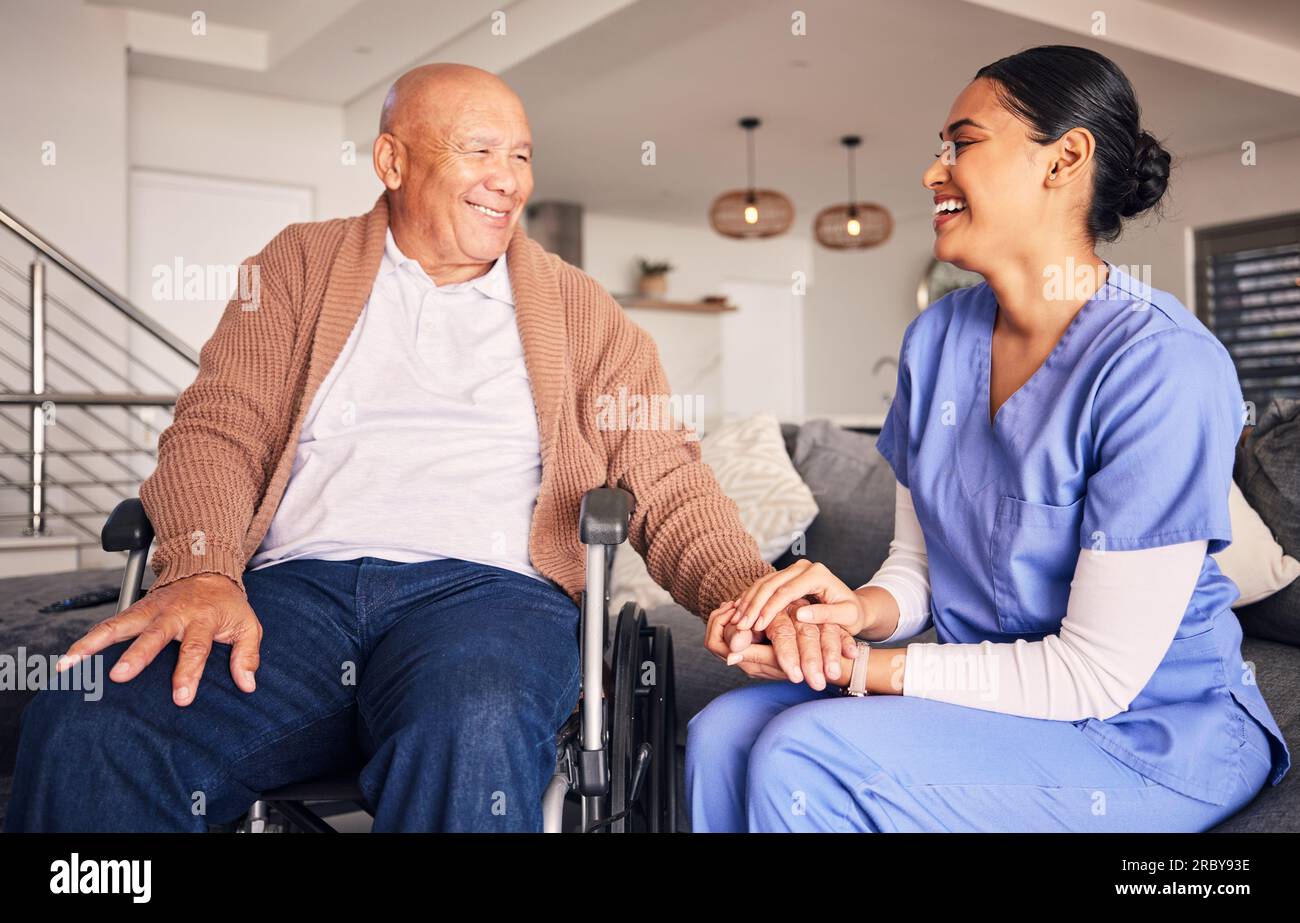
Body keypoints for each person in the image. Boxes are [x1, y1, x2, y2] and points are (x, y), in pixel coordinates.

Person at [6, 63, 772, 833]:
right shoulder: (299, 266)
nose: (508, 180)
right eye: (479, 151)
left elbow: (666, 477)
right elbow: (218, 428)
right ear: (392, 162)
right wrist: (203, 568)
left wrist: (750, 593)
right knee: (91, 721)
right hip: (288, 599)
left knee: (470, 722)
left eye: (522, 155)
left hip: (488, 598)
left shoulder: (584, 311)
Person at [691, 44, 1292, 833]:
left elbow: (1096, 673)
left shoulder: (1161, 366)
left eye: (962, 143)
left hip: (1147, 729)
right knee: (721, 734)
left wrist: (866, 670)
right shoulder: (936, 340)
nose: (932, 173)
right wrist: (850, 613)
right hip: (1002, 705)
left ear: (1065, 159)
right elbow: (917, 571)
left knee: (807, 753)